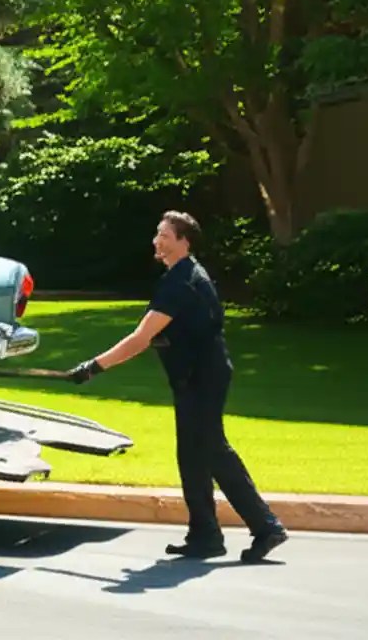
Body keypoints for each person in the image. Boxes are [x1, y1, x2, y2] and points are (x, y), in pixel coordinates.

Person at [67, 211, 288, 563]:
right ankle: (205, 535)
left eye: (166, 235)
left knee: (212, 449)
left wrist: (93, 367)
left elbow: (141, 338)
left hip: (203, 377)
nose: (158, 241)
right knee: (192, 454)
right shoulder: (183, 275)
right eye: (157, 234)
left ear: (184, 241)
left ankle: (266, 526)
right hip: (195, 375)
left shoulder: (182, 282)